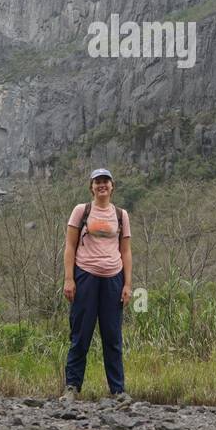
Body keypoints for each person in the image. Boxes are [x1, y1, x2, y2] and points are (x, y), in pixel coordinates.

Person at [62, 167, 132, 401]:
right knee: (81, 334)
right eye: (97, 182)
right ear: (91, 187)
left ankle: (118, 390)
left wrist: (128, 284)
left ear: (112, 186)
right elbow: (70, 246)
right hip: (86, 276)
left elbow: (126, 250)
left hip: (114, 278)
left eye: (106, 181)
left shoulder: (121, 215)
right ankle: (72, 388)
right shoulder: (81, 211)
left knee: (112, 337)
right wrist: (69, 279)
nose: (102, 185)